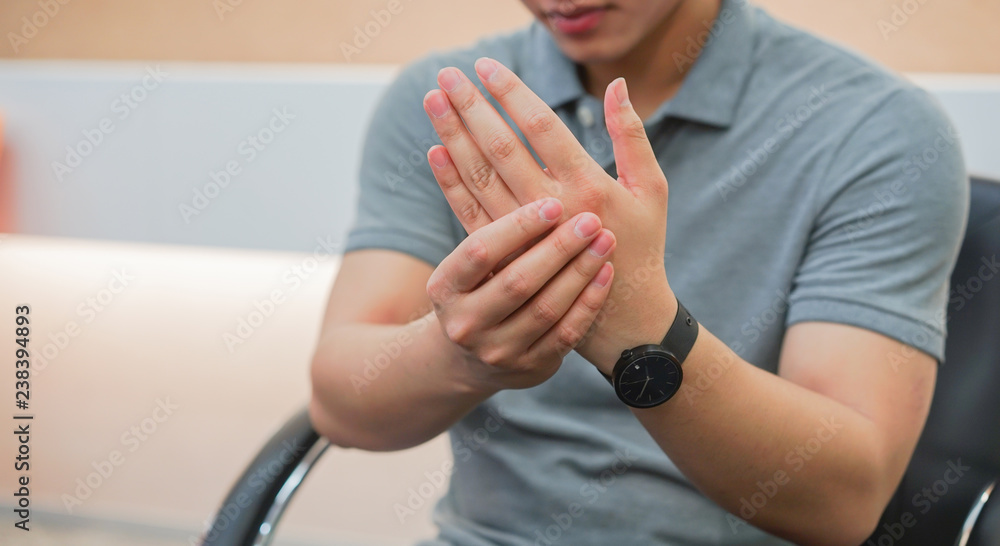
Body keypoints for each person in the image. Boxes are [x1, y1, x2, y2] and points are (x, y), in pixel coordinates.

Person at [309, 0, 969, 543]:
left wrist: (642, 327)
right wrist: (463, 357)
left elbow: (843, 502)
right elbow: (342, 403)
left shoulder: (875, 129)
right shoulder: (454, 105)